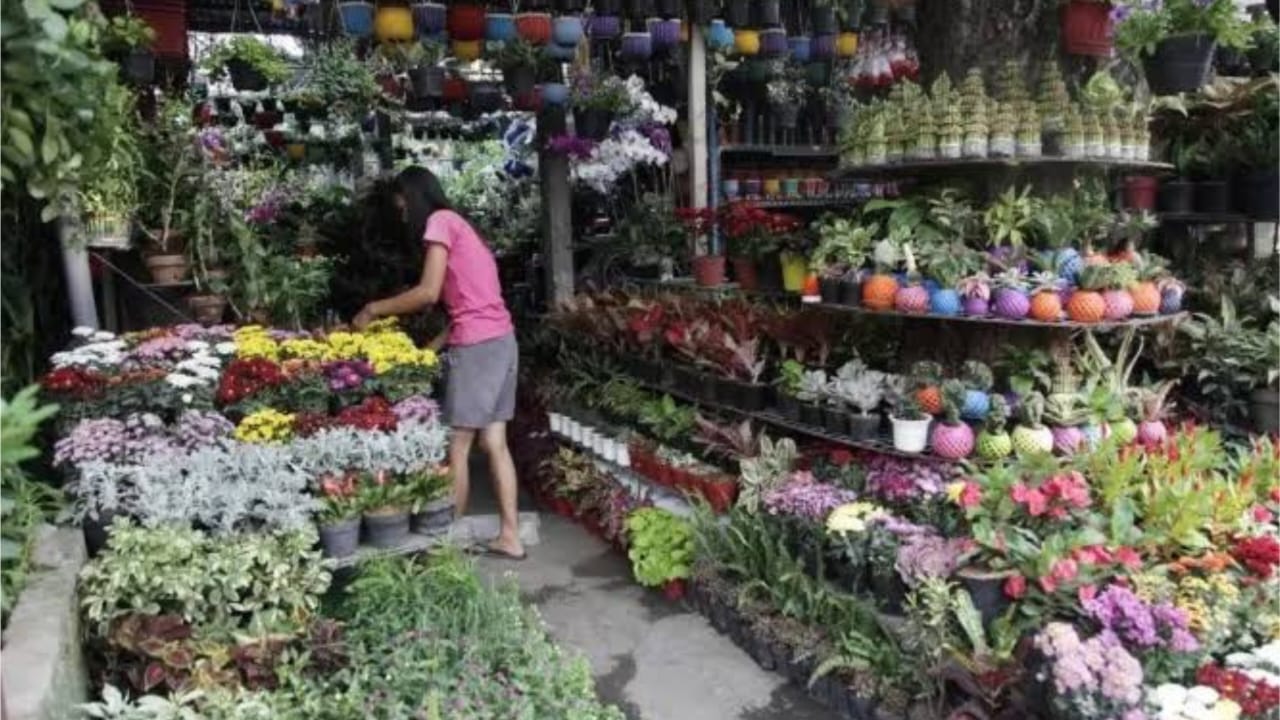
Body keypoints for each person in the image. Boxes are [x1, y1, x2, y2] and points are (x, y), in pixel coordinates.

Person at [353, 166, 524, 560]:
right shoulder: (465, 228)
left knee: (457, 446)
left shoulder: (439, 223)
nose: (401, 214)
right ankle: (510, 535)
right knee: (495, 442)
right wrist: (431, 348)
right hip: (501, 341)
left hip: (478, 348)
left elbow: (428, 293)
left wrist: (373, 309)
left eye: (400, 205)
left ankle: (447, 545)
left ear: (412, 197)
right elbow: (472, 305)